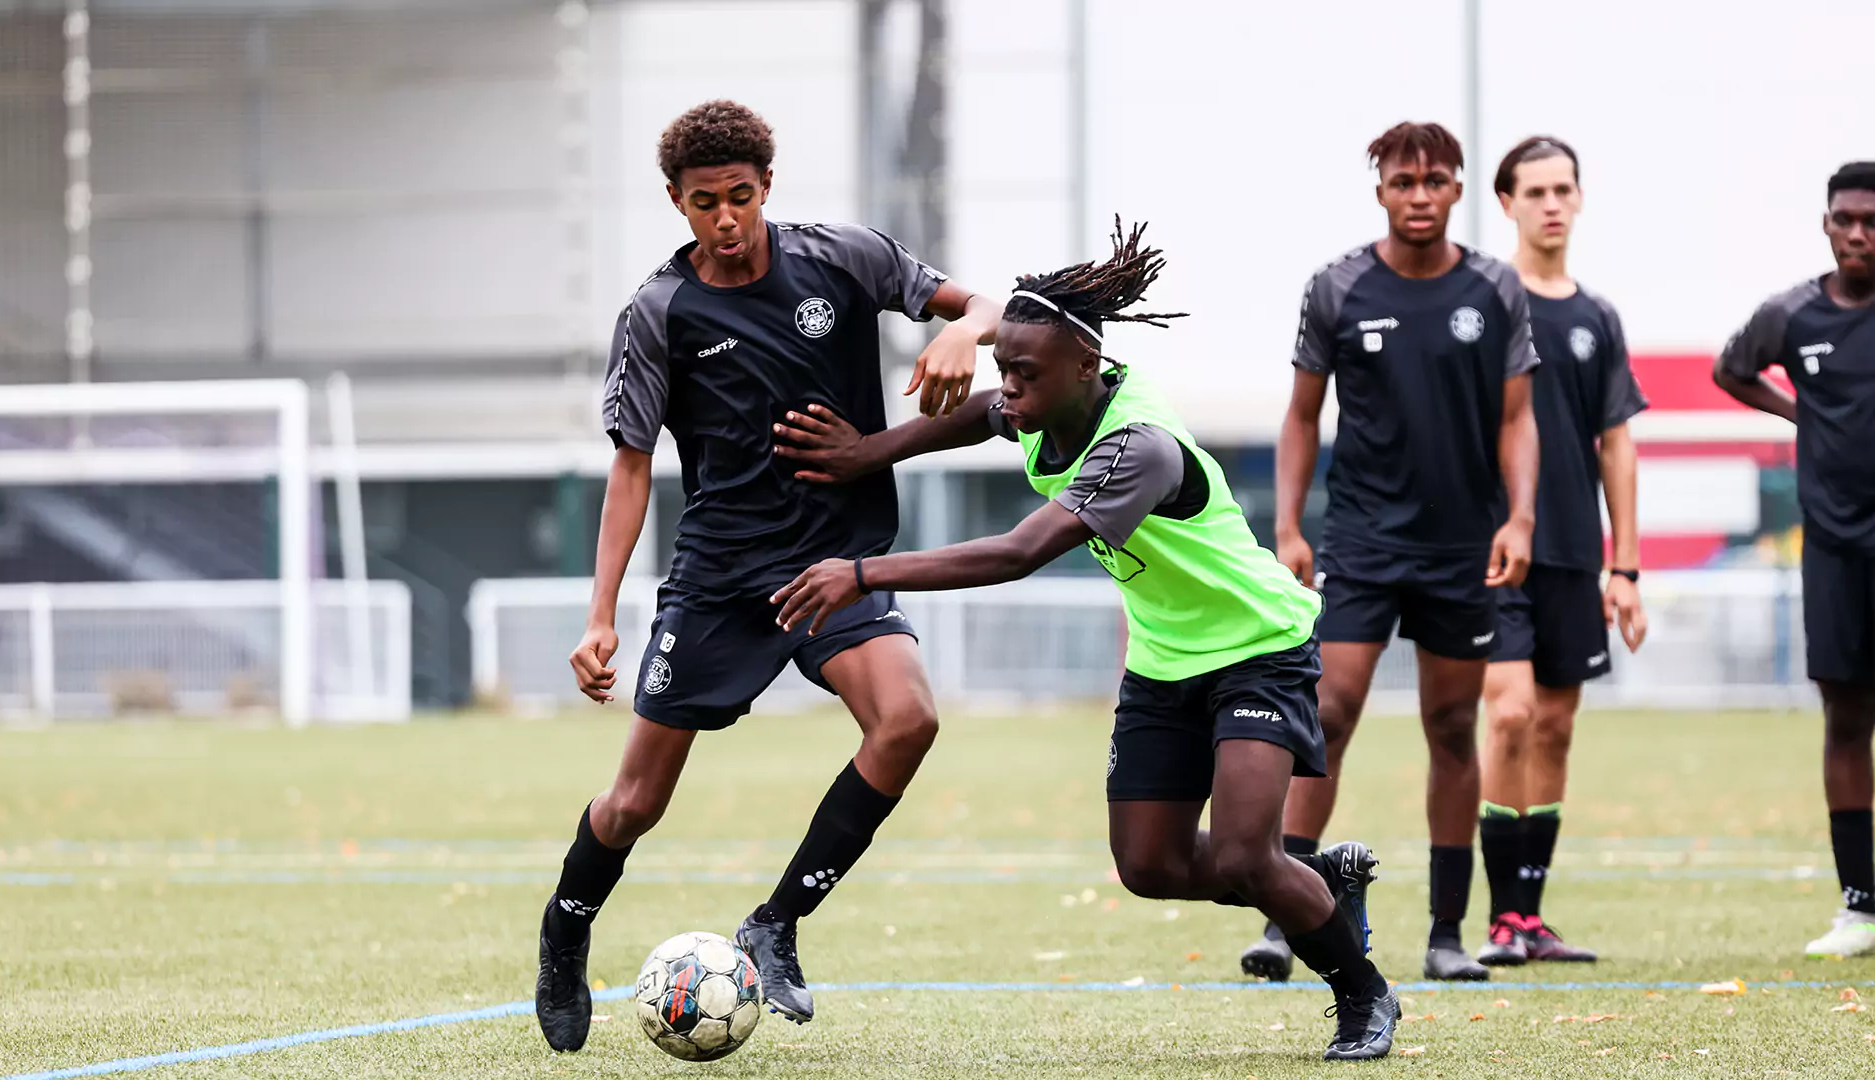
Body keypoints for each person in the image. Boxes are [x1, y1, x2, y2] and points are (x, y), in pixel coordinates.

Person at [768, 219, 1401, 1061]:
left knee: (1250, 854)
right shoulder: (1044, 401)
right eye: (1006, 368)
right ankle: (1321, 883)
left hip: (1258, 649)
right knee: (1148, 865)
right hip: (1164, 660)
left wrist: (864, 571)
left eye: (1026, 373)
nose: (1010, 388)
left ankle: (1363, 994)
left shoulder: (1137, 447)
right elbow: (981, 415)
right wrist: (864, 455)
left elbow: (1018, 551)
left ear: (1087, 369)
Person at [534, 99, 1005, 1052]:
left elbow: (988, 307)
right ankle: (564, 932)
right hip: (718, 574)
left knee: (908, 718)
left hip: (832, 562)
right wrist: (599, 617)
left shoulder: (843, 258)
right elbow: (631, 469)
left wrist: (967, 330)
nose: (726, 219)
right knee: (634, 802)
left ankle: (777, 923)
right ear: (677, 201)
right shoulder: (659, 312)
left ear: (768, 187)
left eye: (741, 197)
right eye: (704, 202)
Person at [1252, 121, 1541, 984]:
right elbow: (1302, 416)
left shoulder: (1494, 289)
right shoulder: (1337, 287)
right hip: (1363, 542)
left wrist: (1520, 518)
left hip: (1461, 548)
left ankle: (1446, 935)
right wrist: (1291, 527)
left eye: (1437, 180)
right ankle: (1283, 917)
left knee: (1453, 727)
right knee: (1328, 714)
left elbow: (1517, 418)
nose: (1420, 195)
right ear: (1380, 189)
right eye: (1403, 181)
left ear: (1458, 190)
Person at [1473, 135, 1650, 967]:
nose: (1550, 203)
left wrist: (1627, 568)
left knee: (1554, 728)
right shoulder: (1479, 300)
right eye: (1533, 191)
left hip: (1578, 552)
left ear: (1579, 200)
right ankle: (1498, 917)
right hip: (1493, 545)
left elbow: (1617, 444)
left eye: (1562, 189)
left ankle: (1529, 920)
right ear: (1505, 202)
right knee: (1507, 713)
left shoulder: (1597, 317)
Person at [1714, 161, 1875, 959]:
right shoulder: (1792, 314)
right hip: (1837, 549)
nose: (1857, 233)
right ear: (1825, 223)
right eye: (1845, 219)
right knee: (1846, 718)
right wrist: (1799, 409)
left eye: (1871, 221)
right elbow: (1730, 369)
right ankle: (1861, 905)